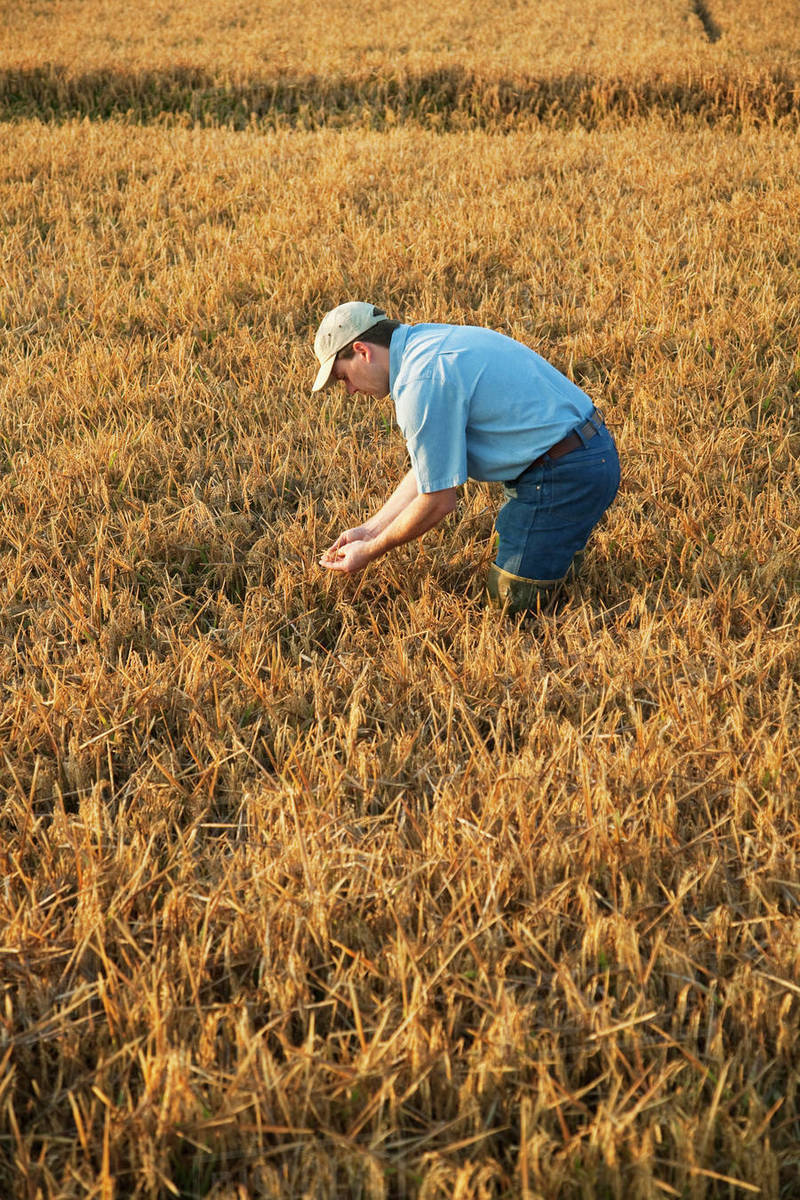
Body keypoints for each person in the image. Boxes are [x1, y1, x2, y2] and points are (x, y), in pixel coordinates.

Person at [313, 301, 620, 614]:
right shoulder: (426, 344)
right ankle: (557, 560)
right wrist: (369, 530)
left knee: (510, 602)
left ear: (362, 351)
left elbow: (438, 501)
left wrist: (371, 551)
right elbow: (431, 470)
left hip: (565, 473)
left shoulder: (420, 382)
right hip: (589, 452)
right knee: (533, 560)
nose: (349, 390)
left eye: (343, 377)